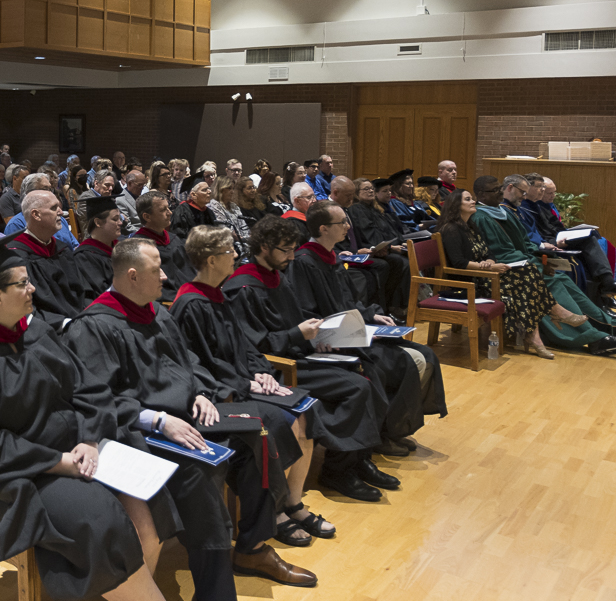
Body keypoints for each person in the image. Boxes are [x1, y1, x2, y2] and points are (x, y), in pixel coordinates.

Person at [0, 235, 217, 601]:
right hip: (9, 478)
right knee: (100, 518)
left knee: (147, 512)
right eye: (23, 285)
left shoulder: (37, 333)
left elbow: (90, 388)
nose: (34, 291)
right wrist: (59, 462)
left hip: (80, 453)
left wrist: (89, 438)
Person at [67, 237, 309, 601]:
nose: (166, 276)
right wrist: (159, 419)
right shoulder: (95, 325)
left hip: (190, 415)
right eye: (158, 269)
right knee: (196, 476)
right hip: (139, 431)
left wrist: (200, 391)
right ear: (131, 275)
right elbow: (97, 398)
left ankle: (251, 547)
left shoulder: (158, 313)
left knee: (257, 434)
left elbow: (188, 362)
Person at [171, 225, 340, 549]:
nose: (236, 255)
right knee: (280, 423)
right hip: (219, 394)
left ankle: (293, 503)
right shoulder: (191, 304)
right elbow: (200, 365)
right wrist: (245, 382)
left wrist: (263, 372)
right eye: (229, 251)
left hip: (243, 383)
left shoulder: (217, 295)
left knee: (306, 410)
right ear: (209, 260)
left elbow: (245, 347)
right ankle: (274, 512)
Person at [221, 216, 393, 502]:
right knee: (356, 386)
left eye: (292, 249)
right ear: (264, 247)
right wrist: (297, 334)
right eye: (285, 250)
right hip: (276, 367)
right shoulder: (244, 287)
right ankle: (337, 471)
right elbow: (255, 345)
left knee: (369, 369)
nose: (291, 256)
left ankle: (358, 459)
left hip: (301, 351)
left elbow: (295, 319)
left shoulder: (278, 276)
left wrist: (317, 336)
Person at [291, 201, 448, 446]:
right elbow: (306, 312)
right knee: (405, 363)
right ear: (323, 228)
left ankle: (391, 429)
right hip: (334, 341)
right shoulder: (304, 262)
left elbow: (351, 300)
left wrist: (371, 315)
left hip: (356, 329)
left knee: (426, 354)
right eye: (341, 222)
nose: (348, 226)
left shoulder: (332, 257)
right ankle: (384, 433)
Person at [469, 177, 616, 356]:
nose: (500, 192)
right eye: (494, 190)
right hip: (505, 271)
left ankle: (608, 325)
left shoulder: (502, 212)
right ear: (481, 194)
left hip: (522, 263)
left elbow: (525, 242)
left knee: (561, 277)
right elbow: (501, 252)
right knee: (550, 283)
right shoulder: (482, 216)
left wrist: (539, 259)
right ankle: (592, 337)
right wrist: (533, 263)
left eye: (499, 189)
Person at [441, 188, 582, 359]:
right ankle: (554, 315)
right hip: (470, 282)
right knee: (523, 285)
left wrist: (491, 262)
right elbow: (458, 263)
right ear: (456, 205)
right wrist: (487, 267)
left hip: (484, 274)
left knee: (528, 271)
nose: (473, 201)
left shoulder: (470, 226)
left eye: (472, 198)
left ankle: (537, 334)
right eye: (468, 199)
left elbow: (488, 253)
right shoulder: (451, 230)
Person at [7, 190, 88, 324]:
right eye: (54, 208)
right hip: (49, 330)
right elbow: (26, 309)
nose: (61, 212)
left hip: (79, 321)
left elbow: (81, 290)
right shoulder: (16, 256)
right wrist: (64, 324)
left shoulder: (62, 249)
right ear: (36, 215)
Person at [347, 177, 411, 311]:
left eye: (371, 188)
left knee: (402, 260)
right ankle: (394, 306)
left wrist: (391, 245)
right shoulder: (357, 209)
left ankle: (397, 304)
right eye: (366, 189)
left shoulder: (374, 208)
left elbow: (385, 231)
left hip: (382, 248)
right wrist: (388, 248)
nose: (370, 191)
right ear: (357, 192)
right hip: (368, 249)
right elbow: (367, 233)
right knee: (399, 262)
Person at [133, 190, 193, 301]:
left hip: (188, 298)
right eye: (163, 210)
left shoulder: (174, 239)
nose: (170, 213)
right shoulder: (138, 247)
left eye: (168, 208)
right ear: (147, 216)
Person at [1, 173, 80, 248]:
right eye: (45, 189)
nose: (50, 193)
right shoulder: (16, 224)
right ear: (29, 193)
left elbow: (75, 246)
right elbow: (18, 255)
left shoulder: (60, 218)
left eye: (50, 189)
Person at [71, 195, 127, 301]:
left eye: (120, 218)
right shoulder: (84, 257)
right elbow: (99, 293)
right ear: (98, 222)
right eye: (115, 219)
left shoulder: (121, 248)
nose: (120, 223)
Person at [170, 172, 216, 238]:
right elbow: (178, 235)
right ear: (193, 194)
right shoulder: (181, 211)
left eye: (209, 188)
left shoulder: (209, 212)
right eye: (204, 190)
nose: (209, 191)